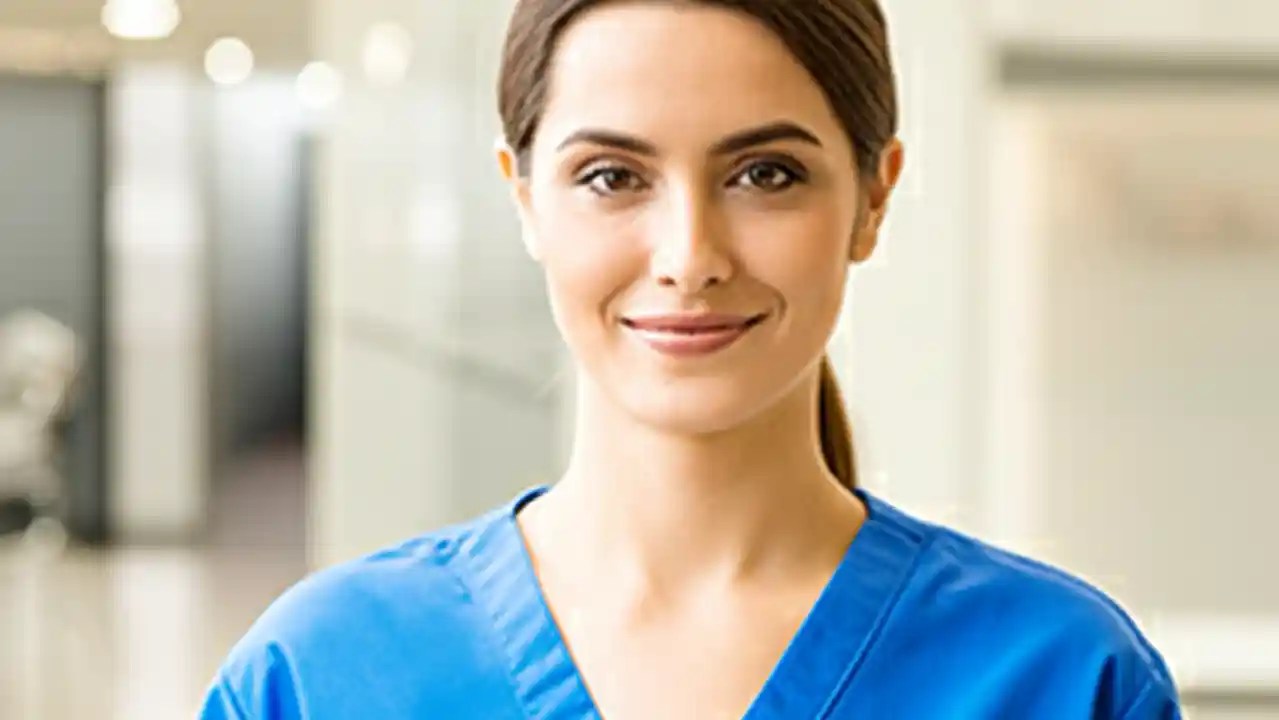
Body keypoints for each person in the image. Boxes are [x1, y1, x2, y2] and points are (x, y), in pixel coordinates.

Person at [201, 0, 1181, 717]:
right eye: (611, 177)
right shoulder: (323, 675)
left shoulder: (1056, 678)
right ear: (524, 197)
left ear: (872, 199)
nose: (688, 257)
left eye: (765, 174)